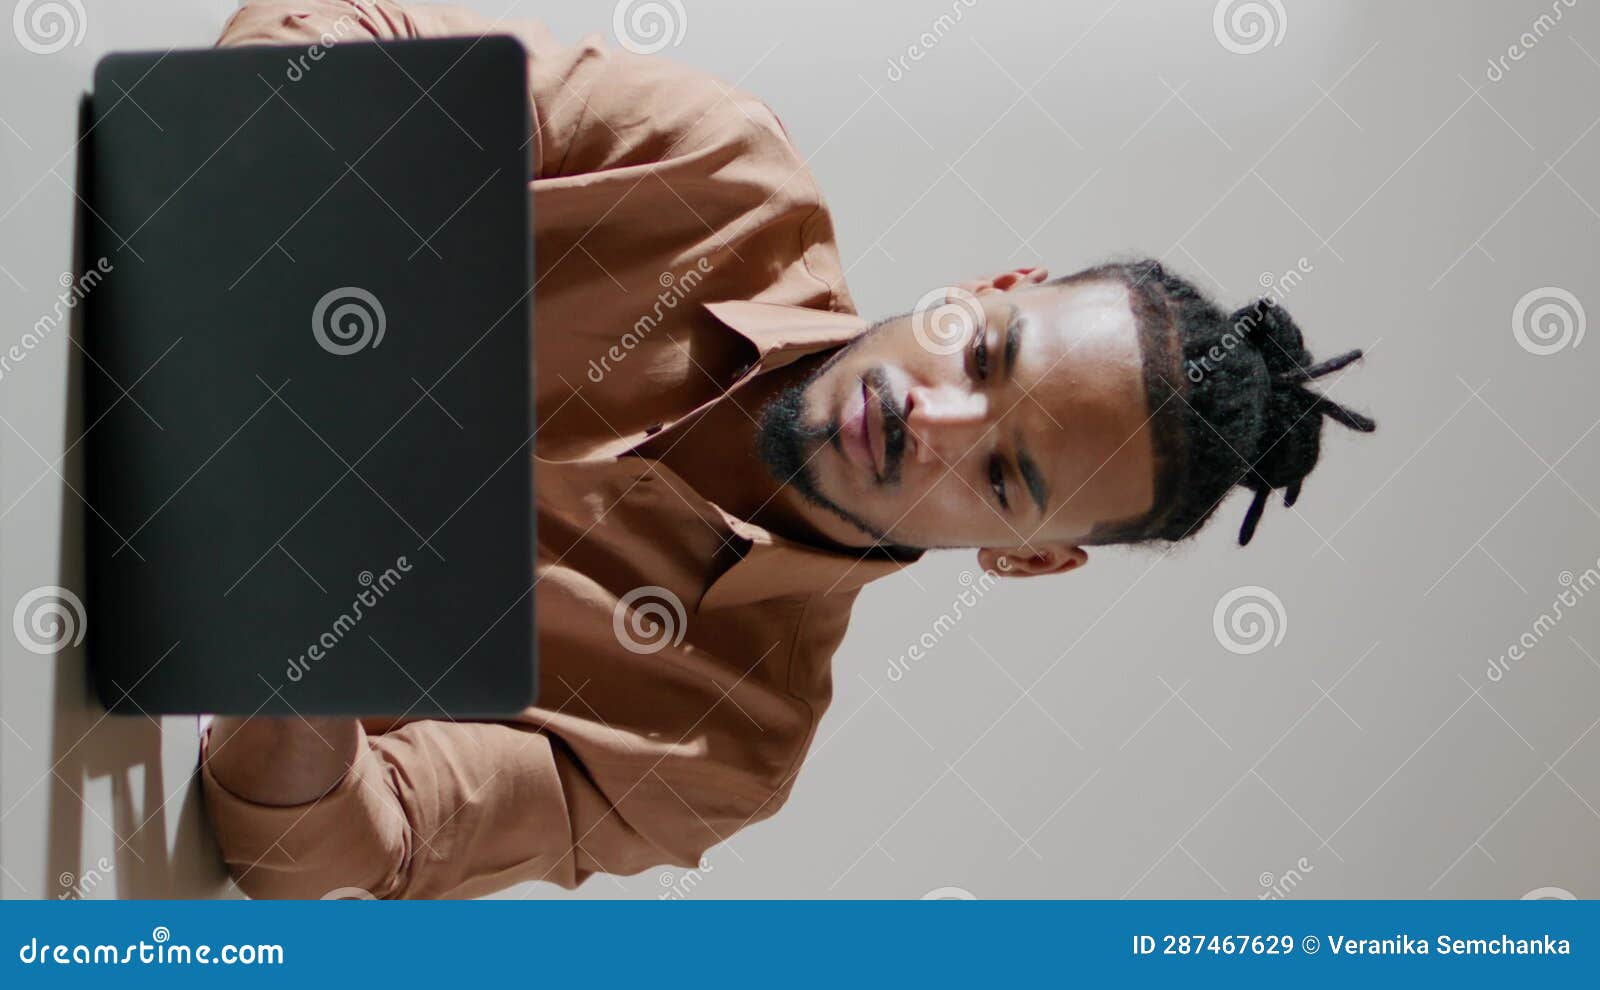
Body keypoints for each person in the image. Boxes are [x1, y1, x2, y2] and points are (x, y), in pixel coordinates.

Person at [200, 1, 1375, 898]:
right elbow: (337, 36)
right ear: (988, 287)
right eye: (985, 356)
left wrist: (311, 626)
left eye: (1005, 475)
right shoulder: (717, 174)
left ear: (1028, 562)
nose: (933, 417)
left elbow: (327, 850)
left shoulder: (720, 753)